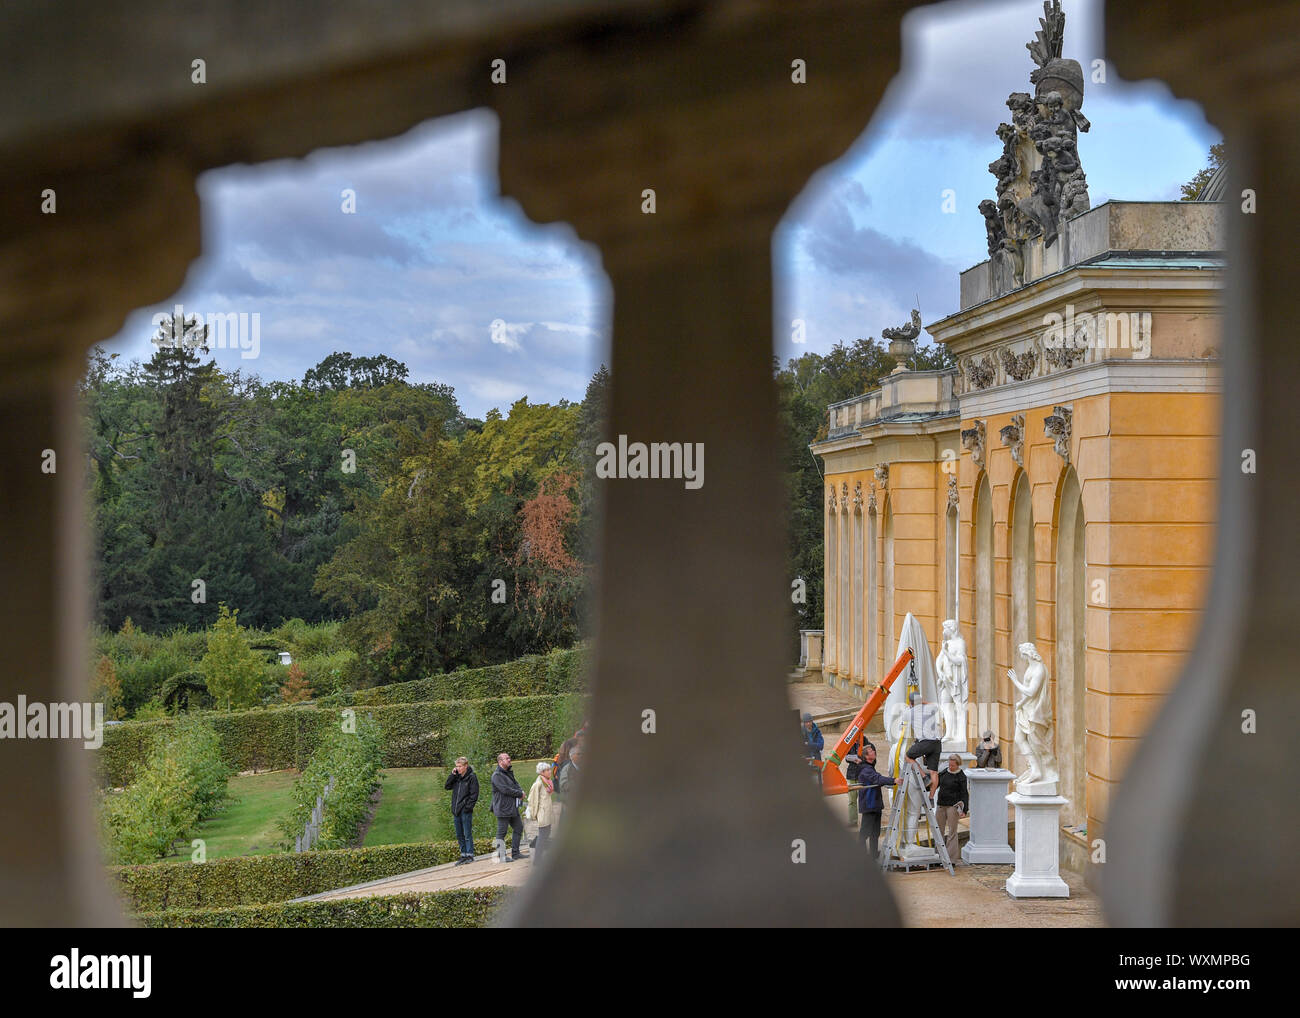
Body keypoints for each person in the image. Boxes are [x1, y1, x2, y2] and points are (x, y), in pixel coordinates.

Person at [856, 741, 896, 859]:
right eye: (871, 751)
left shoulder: (869, 766)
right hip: (869, 806)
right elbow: (877, 779)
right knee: (864, 834)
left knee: (875, 834)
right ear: (867, 756)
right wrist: (894, 780)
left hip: (875, 805)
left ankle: (873, 856)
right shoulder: (866, 770)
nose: (874, 751)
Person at [903, 692, 943, 797]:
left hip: (925, 742)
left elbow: (904, 719)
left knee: (908, 756)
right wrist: (923, 702)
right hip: (937, 743)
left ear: (911, 702)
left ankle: (924, 777)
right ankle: (931, 797)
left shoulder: (909, 712)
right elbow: (936, 706)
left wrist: (912, 706)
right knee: (934, 772)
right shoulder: (931, 708)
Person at [490, 751, 527, 860]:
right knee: (502, 832)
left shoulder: (508, 772)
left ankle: (515, 853)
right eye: (507, 758)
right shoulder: (496, 775)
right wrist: (520, 793)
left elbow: (516, 785)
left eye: (509, 758)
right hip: (502, 808)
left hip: (512, 807)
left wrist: (521, 791)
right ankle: (501, 856)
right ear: (500, 761)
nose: (509, 759)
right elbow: (505, 789)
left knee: (519, 828)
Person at [443, 756, 479, 865]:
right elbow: (447, 786)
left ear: (465, 766)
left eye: (460, 766)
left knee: (467, 833)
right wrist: (452, 775)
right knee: (459, 834)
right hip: (456, 809)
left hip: (465, 809)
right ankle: (463, 854)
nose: (458, 768)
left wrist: (468, 807)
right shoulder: (456, 777)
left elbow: (474, 794)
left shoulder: (472, 777)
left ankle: (469, 854)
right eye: (457, 766)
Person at [934, 753, 969, 864]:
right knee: (938, 830)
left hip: (953, 807)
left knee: (952, 832)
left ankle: (951, 859)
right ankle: (937, 856)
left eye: (953, 765)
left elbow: (964, 794)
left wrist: (964, 810)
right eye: (949, 764)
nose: (950, 767)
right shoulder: (944, 772)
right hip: (941, 805)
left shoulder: (961, 776)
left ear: (958, 765)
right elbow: (935, 784)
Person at [526, 761, 556, 864]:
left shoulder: (547, 782)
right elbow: (533, 800)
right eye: (547, 770)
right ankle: (537, 860)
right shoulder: (538, 784)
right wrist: (534, 814)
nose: (549, 771)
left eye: (549, 769)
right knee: (543, 835)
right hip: (542, 812)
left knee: (546, 833)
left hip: (547, 812)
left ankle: (541, 857)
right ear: (542, 772)